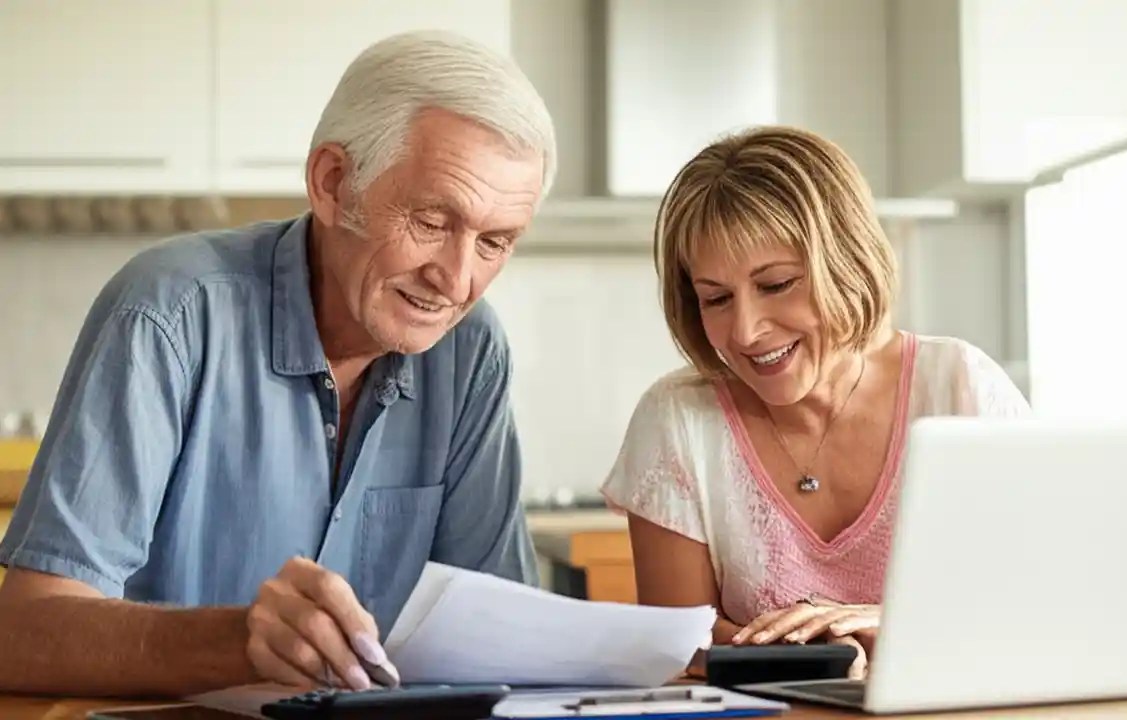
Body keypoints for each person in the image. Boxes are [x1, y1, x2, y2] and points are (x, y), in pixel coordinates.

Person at [0, 30, 555, 697]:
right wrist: (239, 644)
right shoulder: (169, 313)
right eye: (432, 222)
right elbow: (23, 634)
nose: (457, 281)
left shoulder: (471, 350)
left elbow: (502, 637)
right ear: (332, 183)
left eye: (494, 243)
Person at [600, 126, 1029, 676]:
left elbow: (1027, 605)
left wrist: (892, 626)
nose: (746, 331)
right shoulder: (677, 418)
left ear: (847, 260)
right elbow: (678, 642)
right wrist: (814, 652)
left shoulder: (962, 388)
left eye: (776, 284)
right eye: (717, 298)